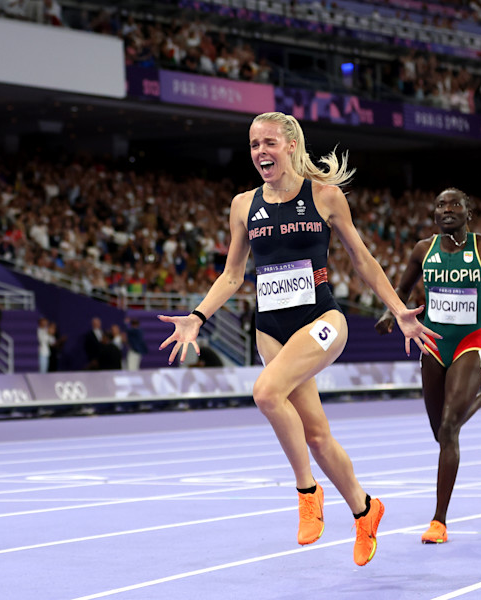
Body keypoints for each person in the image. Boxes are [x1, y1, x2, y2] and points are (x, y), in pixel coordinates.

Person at [158, 111, 439, 567]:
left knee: (266, 393)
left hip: (322, 319)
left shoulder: (325, 196)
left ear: (291, 145)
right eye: (254, 145)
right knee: (317, 435)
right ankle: (365, 509)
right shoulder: (243, 205)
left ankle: (308, 492)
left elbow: (362, 259)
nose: (260, 152)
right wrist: (197, 316)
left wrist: (398, 309)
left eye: (269, 143)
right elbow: (232, 275)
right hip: (271, 329)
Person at [375, 188, 481, 544]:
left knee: (450, 429)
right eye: (440, 204)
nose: (447, 209)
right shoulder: (423, 250)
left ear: (468, 212)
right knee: (439, 432)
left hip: (469, 343)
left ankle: (438, 521)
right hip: (433, 343)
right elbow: (402, 290)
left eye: (455, 204)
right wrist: (391, 314)